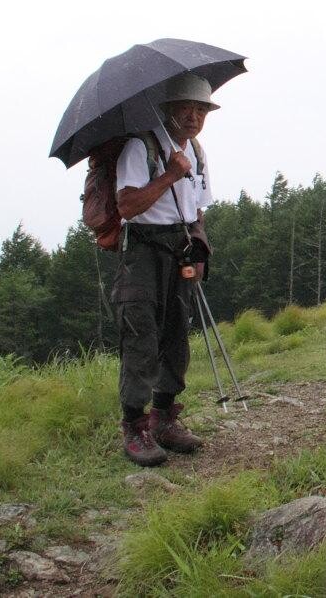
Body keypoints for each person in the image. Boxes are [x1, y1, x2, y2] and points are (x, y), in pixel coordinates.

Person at [113, 72, 216, 466]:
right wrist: (171, 174)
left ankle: (163, 418)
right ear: (168, 109)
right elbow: (127, 206)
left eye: (201, 109)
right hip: (142, 250)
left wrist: (200, 247)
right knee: (141, 335)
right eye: (186, 108)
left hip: (181, 249)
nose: (194, 116)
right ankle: (134, 428)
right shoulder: (142, 147)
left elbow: (198, 207)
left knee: (177, 334)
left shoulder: (198, 152)